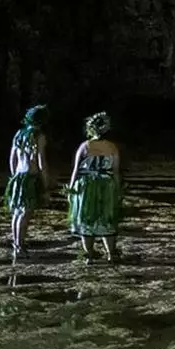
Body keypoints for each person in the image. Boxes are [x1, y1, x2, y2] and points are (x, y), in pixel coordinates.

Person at [66, 111, 123, 263]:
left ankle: (89, 255)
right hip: (106, 184)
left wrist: (71, 190)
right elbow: (116, 171)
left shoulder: (85, 146)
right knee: (106, 218)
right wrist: (118, 189)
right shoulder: (112, 147)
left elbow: (76, 170)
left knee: (86, 219)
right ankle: (111, 253)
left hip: (86, 186)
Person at [4, 104, 49, 259]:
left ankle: (16, 243)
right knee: (26, 213)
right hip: (30, 177)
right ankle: (20, 245)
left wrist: (14, 177)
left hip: (18, 176)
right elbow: (41, 161)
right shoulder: (39, 136)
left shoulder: (19, 134)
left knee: (17, 212)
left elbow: (12, 158)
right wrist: (45, 183)